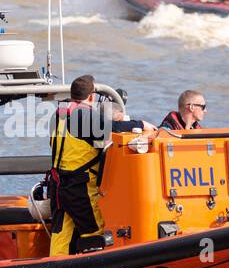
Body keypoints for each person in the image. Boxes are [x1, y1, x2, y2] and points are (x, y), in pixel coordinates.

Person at [48, 76, 156, 256]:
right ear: (91, 97)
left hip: (58, 185)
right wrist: (141, 124)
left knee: (61, 233)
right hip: (80, 187)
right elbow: (112, 127)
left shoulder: (58, 114)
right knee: (94, 230)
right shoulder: (82, 117)